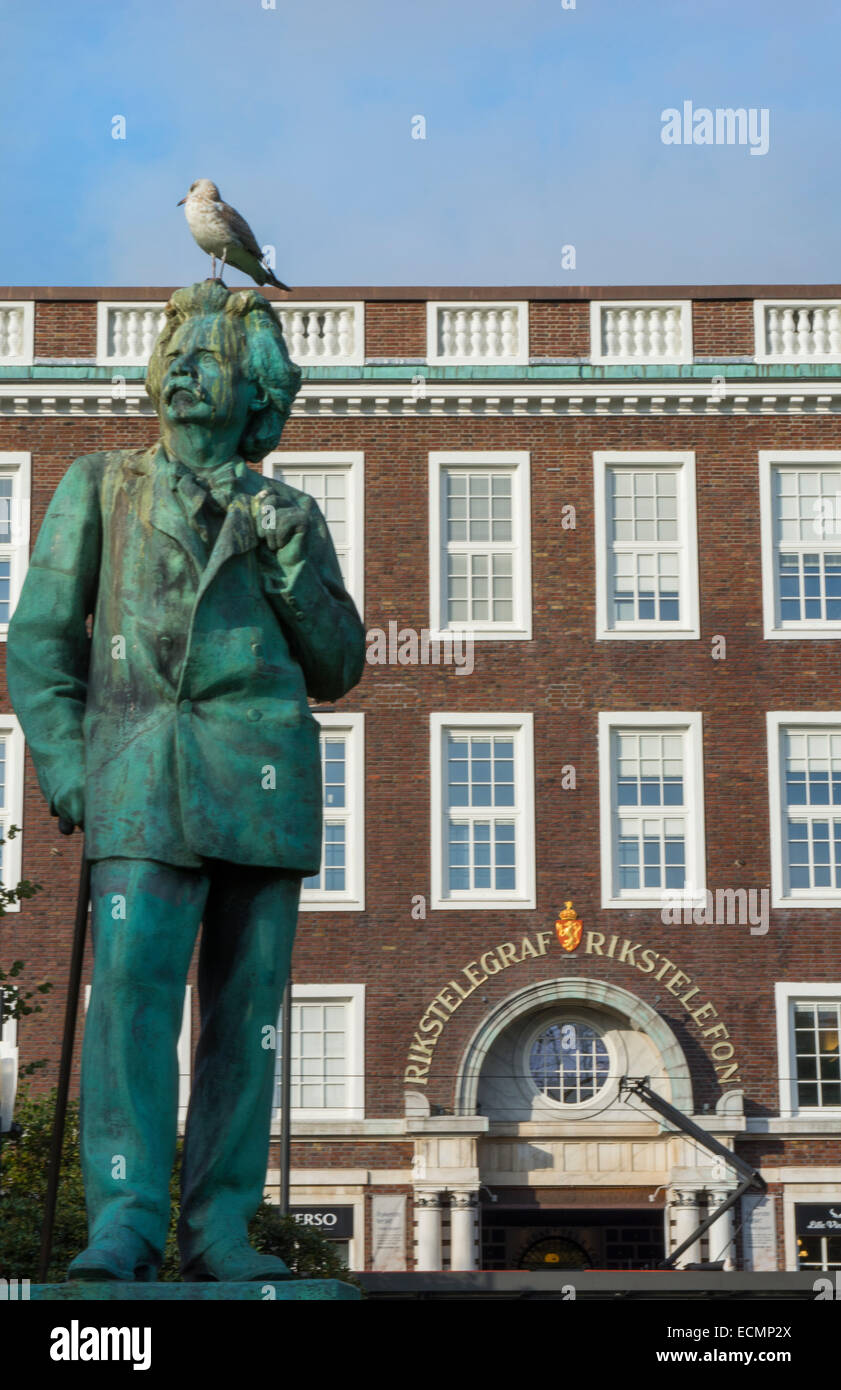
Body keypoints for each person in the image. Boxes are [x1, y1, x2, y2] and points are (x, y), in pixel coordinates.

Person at [6, 280, 365, 1281]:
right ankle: (124, 1219)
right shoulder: (102, 484)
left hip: (261, 791)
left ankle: (221, 1228)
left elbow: (339, 662)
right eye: (182, 349)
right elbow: (37, 646)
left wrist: (292, 559)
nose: (191, 367)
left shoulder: (289, 512)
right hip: (137, 786)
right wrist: (75, 774)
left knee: (245, 1024)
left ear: (258, 392)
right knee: (129, 1007)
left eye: (216, 355)